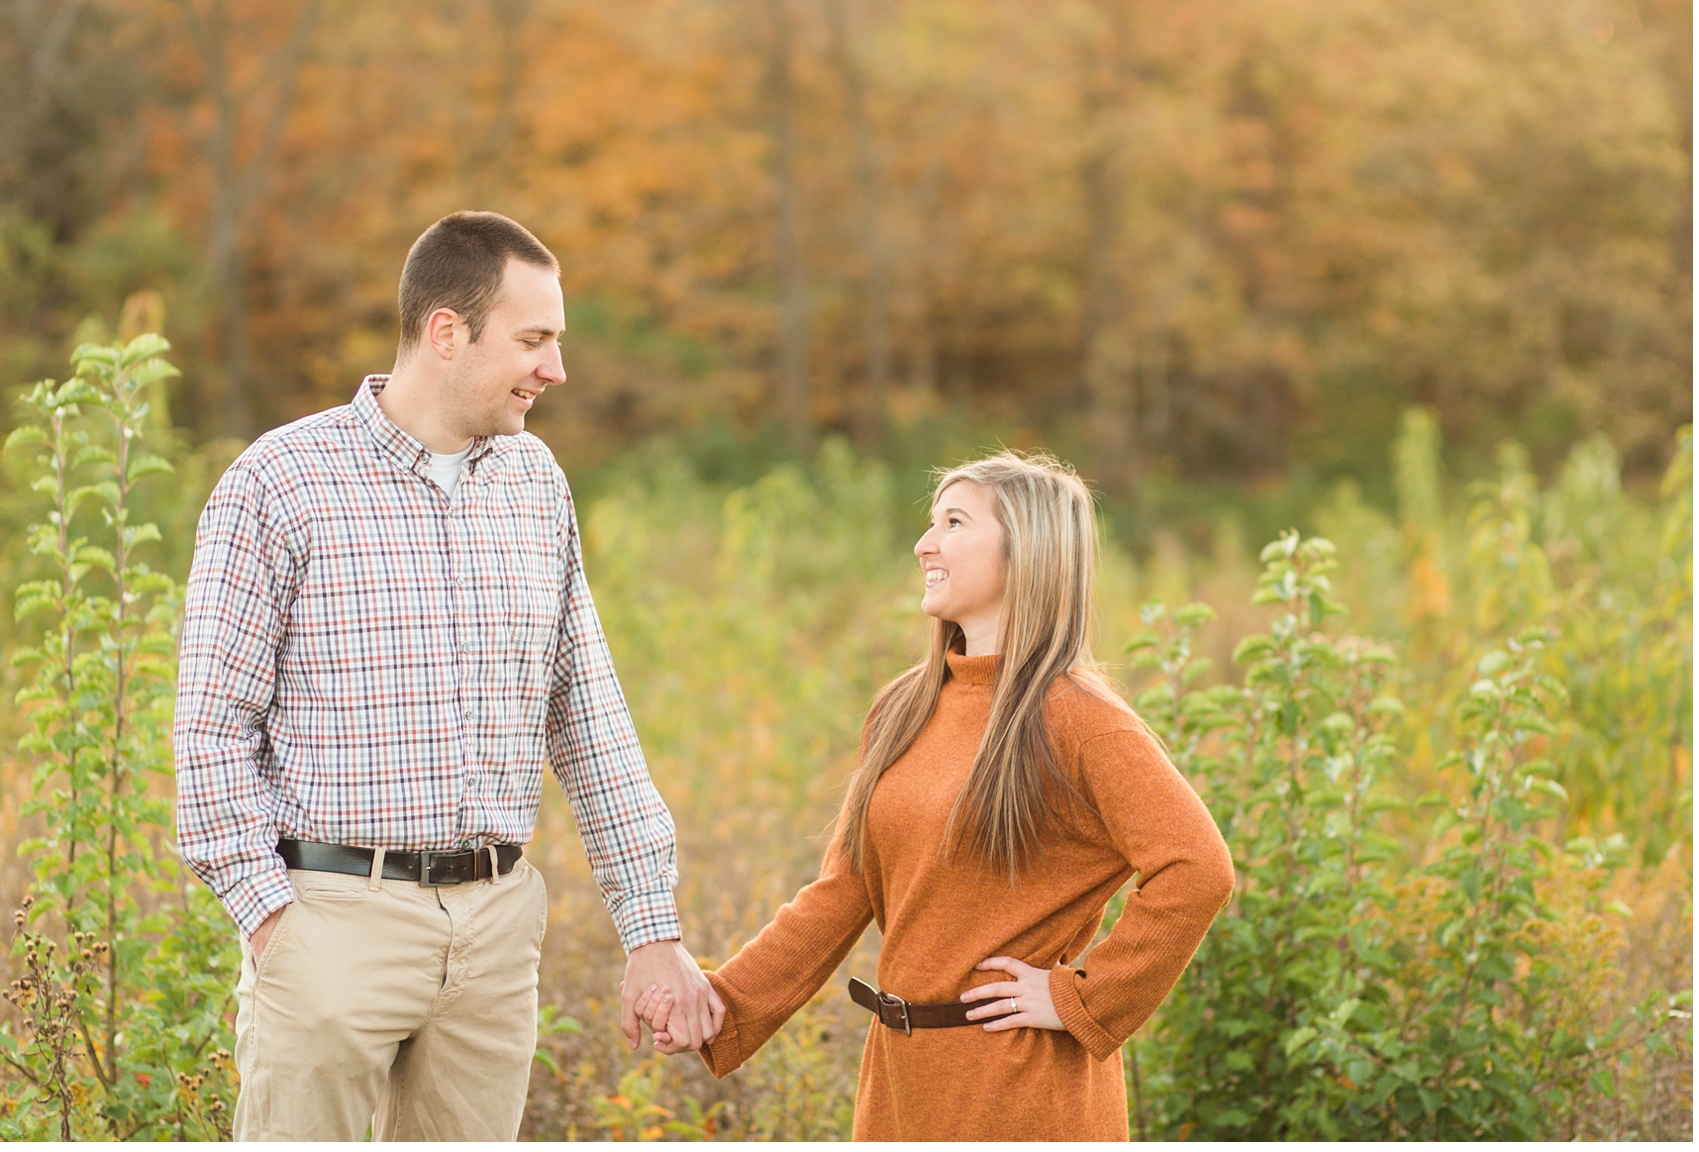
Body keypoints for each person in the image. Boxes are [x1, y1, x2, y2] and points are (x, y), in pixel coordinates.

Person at [174, 210, 722, 1142]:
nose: (555, 368)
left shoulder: (535, 482)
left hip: (495, 936)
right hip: (330, 919)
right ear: (446, 333)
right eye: (534, 339)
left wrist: (652, 930)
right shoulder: (280, 483)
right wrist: (276, 927)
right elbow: (211, 731)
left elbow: (585, 714)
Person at [635, 450, 1234, 1141]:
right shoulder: (905, 708)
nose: (925, 545)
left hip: (1022, 1089)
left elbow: (1197, 868)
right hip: (898, 1085)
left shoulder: (1081, 719)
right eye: (930, 523)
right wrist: (722, 1001)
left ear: (1028, 553)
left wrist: (1083, 996)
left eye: (954, 523)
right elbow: (844, 891)